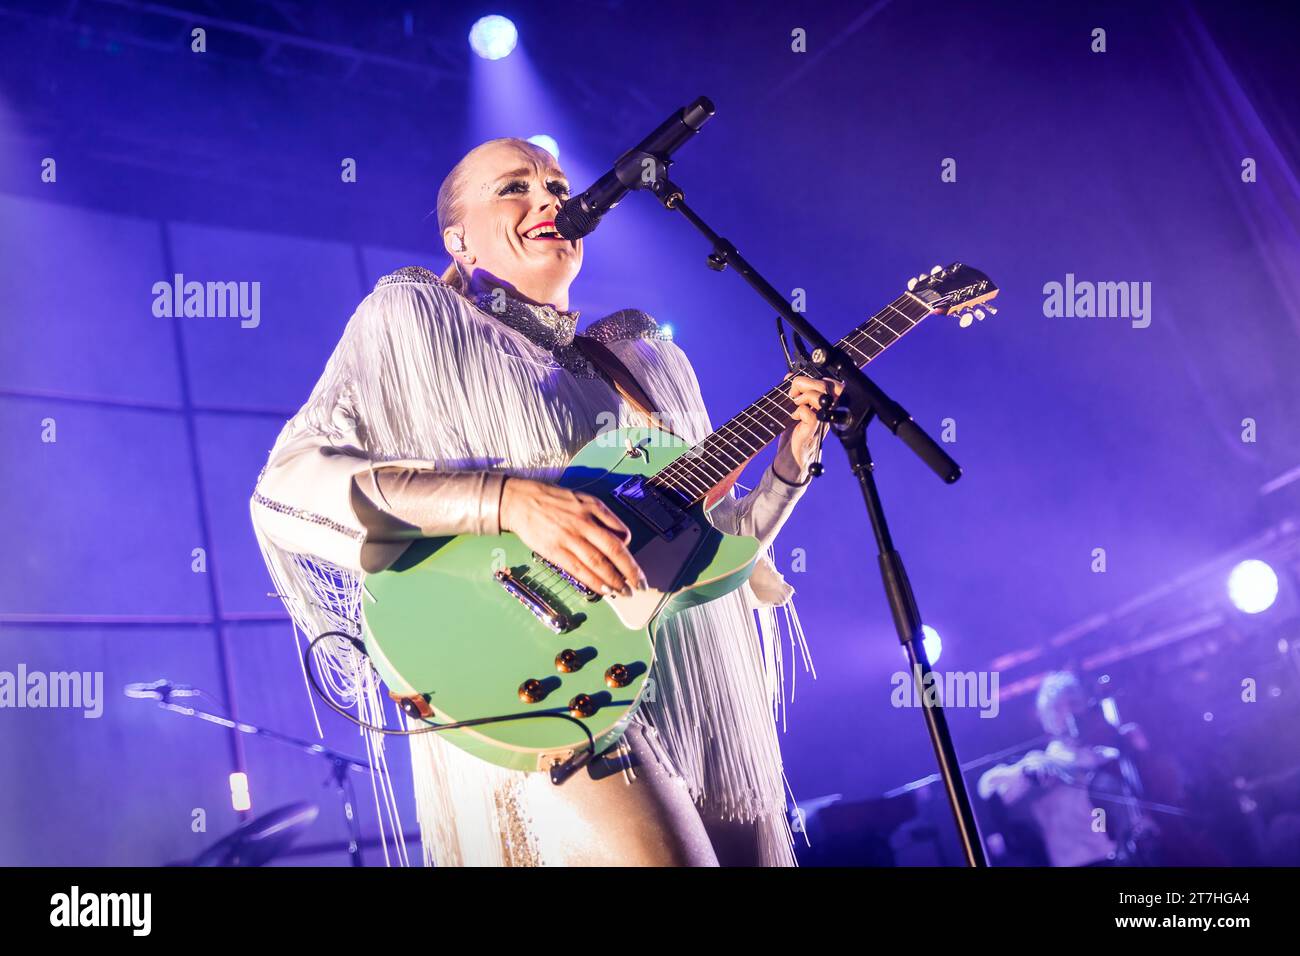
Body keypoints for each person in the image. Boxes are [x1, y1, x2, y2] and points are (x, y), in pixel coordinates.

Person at [250, 137, 841, 866]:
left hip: (685, 678)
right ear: (458, 238)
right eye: (514, 187)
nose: (550, 200)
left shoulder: (636, 354)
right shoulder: (413, 319)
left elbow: (710, 544)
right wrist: (505, 501)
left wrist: (791, 461)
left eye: (558, 186)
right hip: (547, 675)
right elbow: (287, 484)